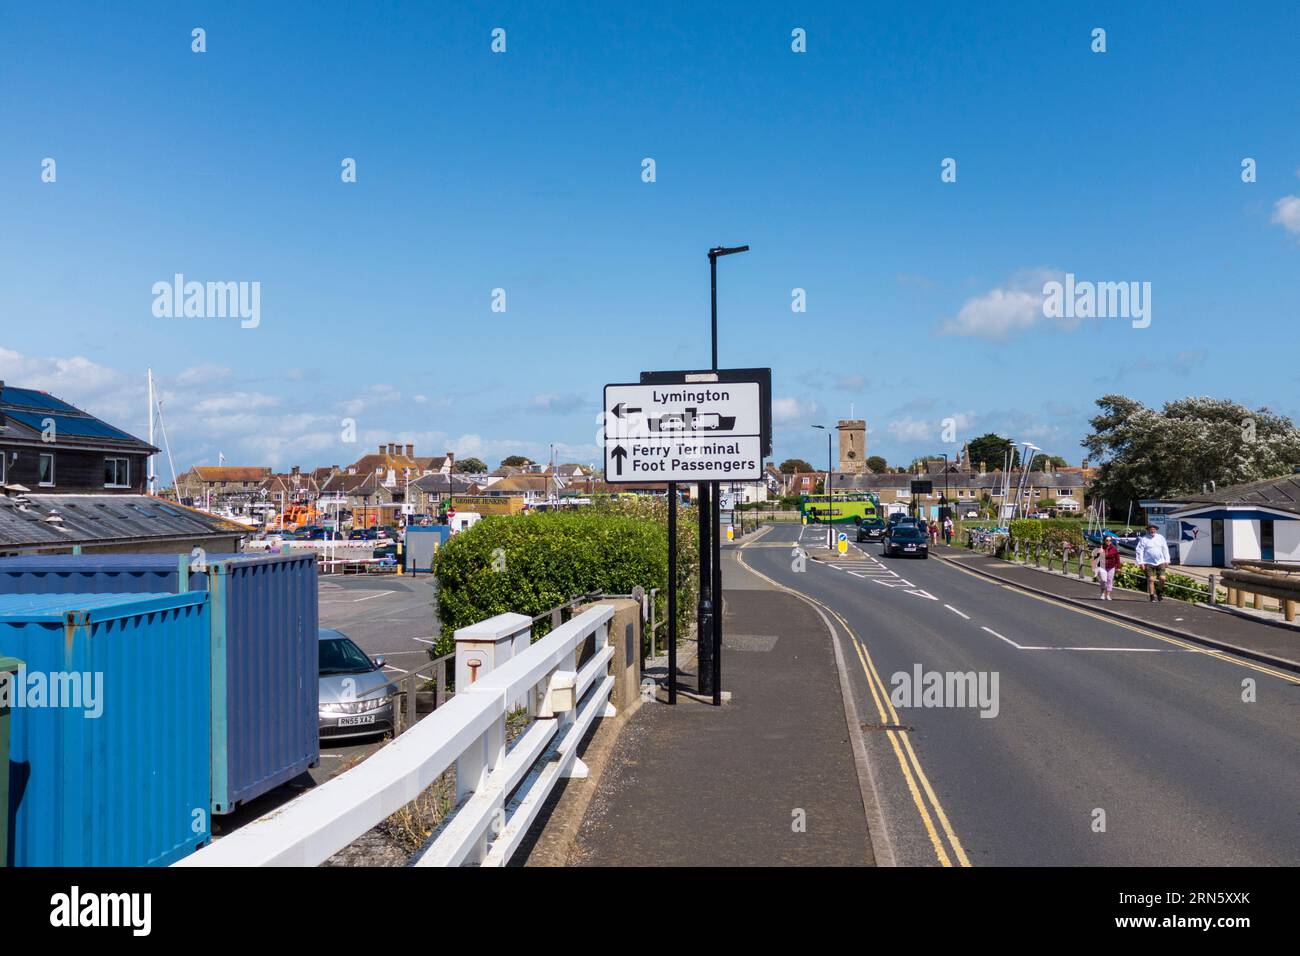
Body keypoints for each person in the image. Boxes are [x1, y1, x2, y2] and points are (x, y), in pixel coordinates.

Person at [1135, 522, 1171, 602]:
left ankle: (1159, 591)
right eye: (1151, 529)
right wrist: (1140, 563)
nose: (1152, 530)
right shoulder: (1144, 539)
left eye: (1154, 529)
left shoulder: (1161, 538)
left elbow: (1165, 549)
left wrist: (1167, 560)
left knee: (1162, 578)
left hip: (1160, 561)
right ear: (1148, 530)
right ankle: (1152, 596)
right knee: (1151, 579)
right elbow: (1139, 551)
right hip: (1148, 562)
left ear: (1156, 530)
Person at [1092, 532, 1121, 601]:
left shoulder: (1114, 549)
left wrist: (1118, 567)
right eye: (1107, 540)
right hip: (1102, 566)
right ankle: (1102, 593)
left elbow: (1117, 558)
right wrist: (1099, 552)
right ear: (1104, 541)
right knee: (1103, 580)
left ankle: (1108, 595)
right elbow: (1095, 557)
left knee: (1109, 581)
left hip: (1111, 567)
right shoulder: (1100, 548)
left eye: (1110, 540)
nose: (1108, 542)